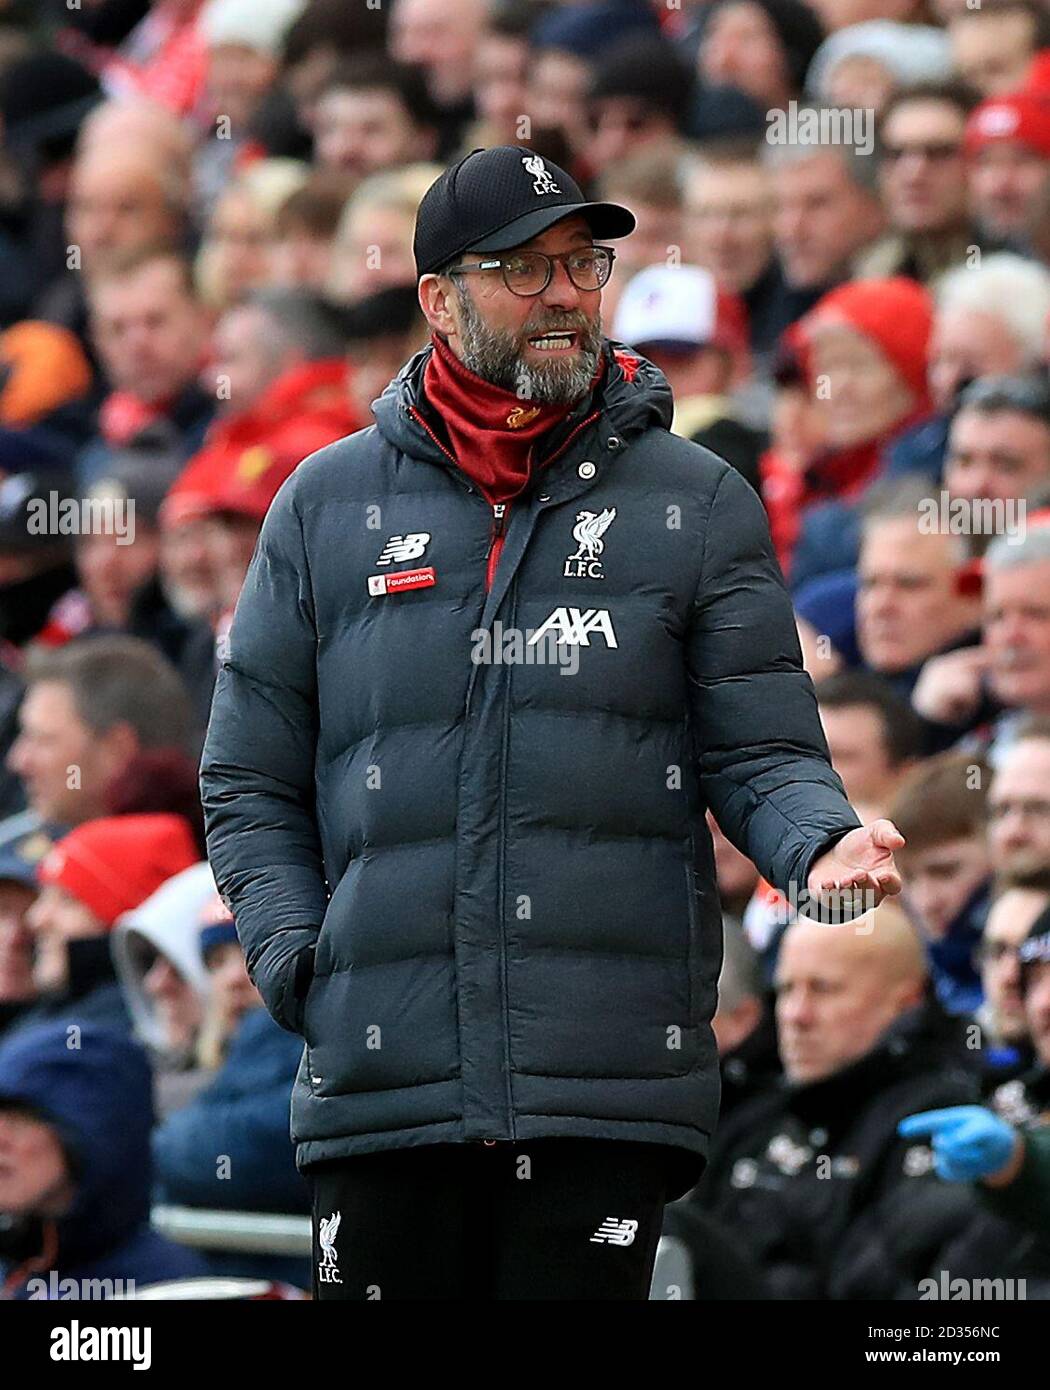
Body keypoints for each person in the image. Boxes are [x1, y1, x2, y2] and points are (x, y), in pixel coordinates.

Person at [201, 144, 903, 1302]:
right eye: (525, 270)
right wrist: (298, 964)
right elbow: (248, 779)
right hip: (385, 1077)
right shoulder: (324, 505)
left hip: (603, 1081)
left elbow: (764, 748)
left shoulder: (698, 502)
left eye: (583, 262)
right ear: (438, 298)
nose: (566, 292)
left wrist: (818, 842)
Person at [673, 905, 981, 1300]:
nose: (796, 1016)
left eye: (823, 989)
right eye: (785, 990)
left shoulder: (934, 1125)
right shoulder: (756, 1116)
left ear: (905, 1004)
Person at [0, 1021, 206, 1298]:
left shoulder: (169, 1287)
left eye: (20, 1120)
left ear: (98, 1133)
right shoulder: (21, 1262)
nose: (1, 1138)